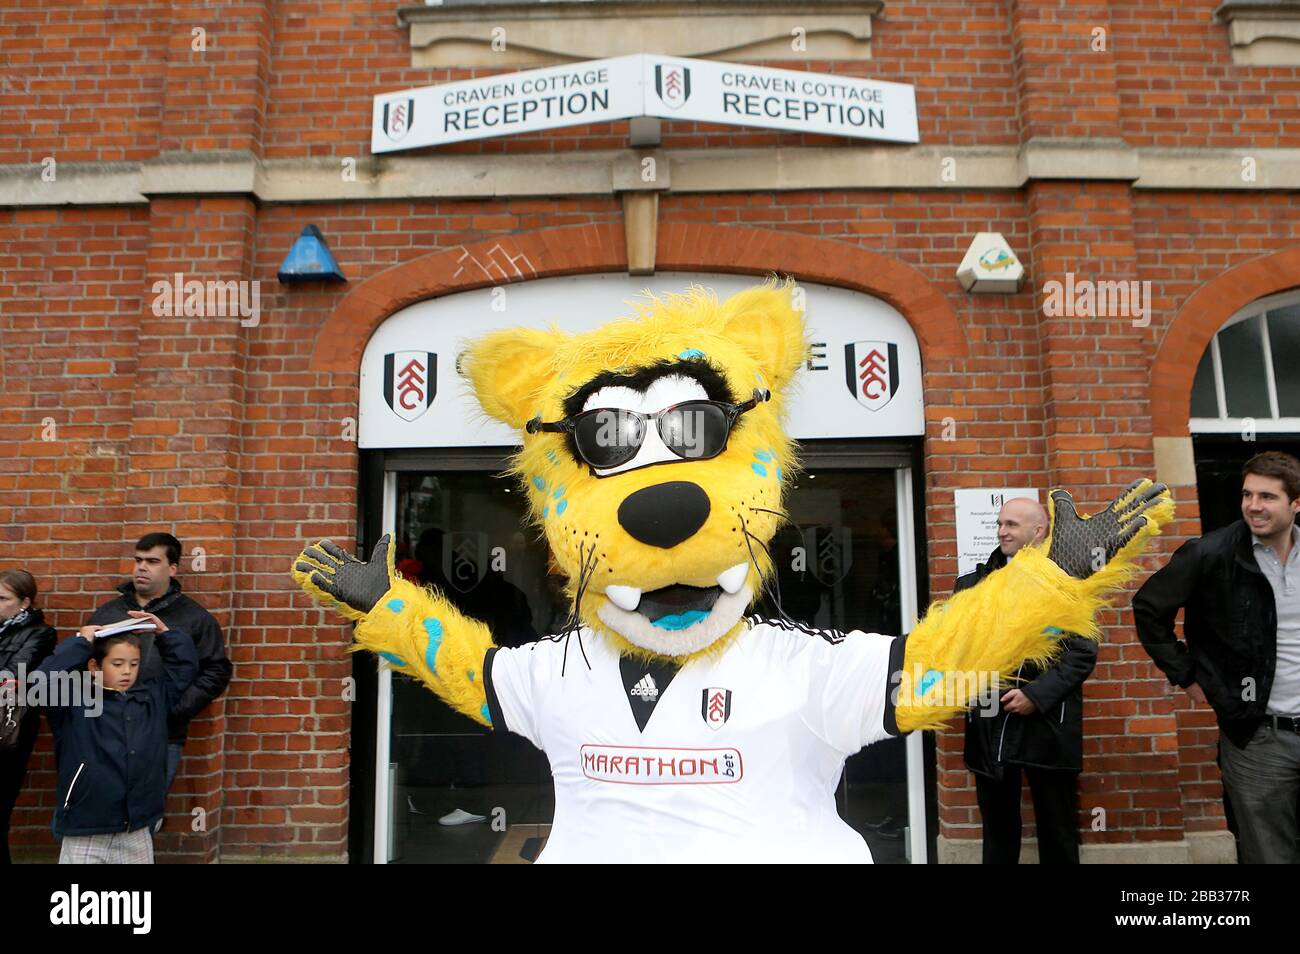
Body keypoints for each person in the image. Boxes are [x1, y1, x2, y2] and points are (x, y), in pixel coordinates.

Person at [1133, 450, 1300, 863]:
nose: (1254, 506)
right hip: (1257, 736)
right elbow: (1149, 609)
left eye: (1267, 496)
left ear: (1296, 503)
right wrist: (1187, 676)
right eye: (1247, 494)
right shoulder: (1210, 554)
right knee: (1269, 854)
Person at [959, 497, 1098, 863]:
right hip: (990, 724)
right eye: (1000, 523)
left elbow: (1082, 653)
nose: (1002, 531)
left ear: (1038, 531)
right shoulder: (971, 585)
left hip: (1048, 724)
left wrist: (1036, 695)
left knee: (1058, 831)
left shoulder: (1069, 586)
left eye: (1012, 525)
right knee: (998, 832)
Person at [37, 610, 198, 863]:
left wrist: (165, 634)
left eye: (134, 664)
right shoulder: (73, 700)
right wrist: (81, 641)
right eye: (117, 664)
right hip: (86, 827)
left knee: (132, 903)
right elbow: (40, 682)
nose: (127, 672)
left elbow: (183, 670)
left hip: (136, 827)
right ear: (94, 666)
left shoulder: (151, 697)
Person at [88, 532, 232, 798]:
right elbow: (86, 666)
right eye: (138, 560)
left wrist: (171, 709)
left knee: (145, 812)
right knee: (100, 808)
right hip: (107, 730)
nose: (141, 567)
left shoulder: (194, 618)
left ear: (172, 568)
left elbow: (216, 671)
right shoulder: (108, 613)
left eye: (152, 561)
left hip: (162, 735)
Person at [0, 570, 57, 864]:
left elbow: (13, 673)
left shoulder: (41, 633)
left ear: (24, 602)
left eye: (2, 599)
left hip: (9, 732)